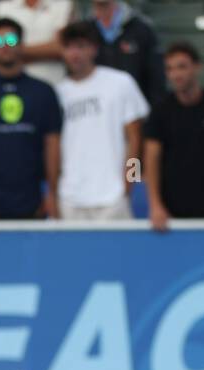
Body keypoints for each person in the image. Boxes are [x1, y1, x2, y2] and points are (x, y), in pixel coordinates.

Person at [0, 17, 60, 220]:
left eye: (11, 40)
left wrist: (51, 194)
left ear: (22, 45)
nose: (4, 46)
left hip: (34, 202)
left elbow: (52, 145)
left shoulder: (44, 92)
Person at [54, 19, 147, 220]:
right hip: (70, 198)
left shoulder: (120, 83)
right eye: (68, 47)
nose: (74, 54)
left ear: (94, 49)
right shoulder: (57, 93)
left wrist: (129, 186)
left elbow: (135, 139)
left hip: (113, 198)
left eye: (81, 46)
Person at [144, 42, 204, 230]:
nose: (176, 74)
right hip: (169, 210)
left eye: (182, 66)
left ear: (197, 67)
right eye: (170, 69)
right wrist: (155, 205)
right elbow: (150, 158)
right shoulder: (160, 110)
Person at [87, 0, 164, 106]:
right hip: (96, 113)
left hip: (137, 114)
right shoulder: (83, 31)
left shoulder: (142, 29)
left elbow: (156, 81)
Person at [0, 0, 73, 87]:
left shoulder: (63, 4)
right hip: (10, 86)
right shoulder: (1, 7)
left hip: (55, 83)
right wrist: (47, 50)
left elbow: (61, 48)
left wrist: (11, 51)